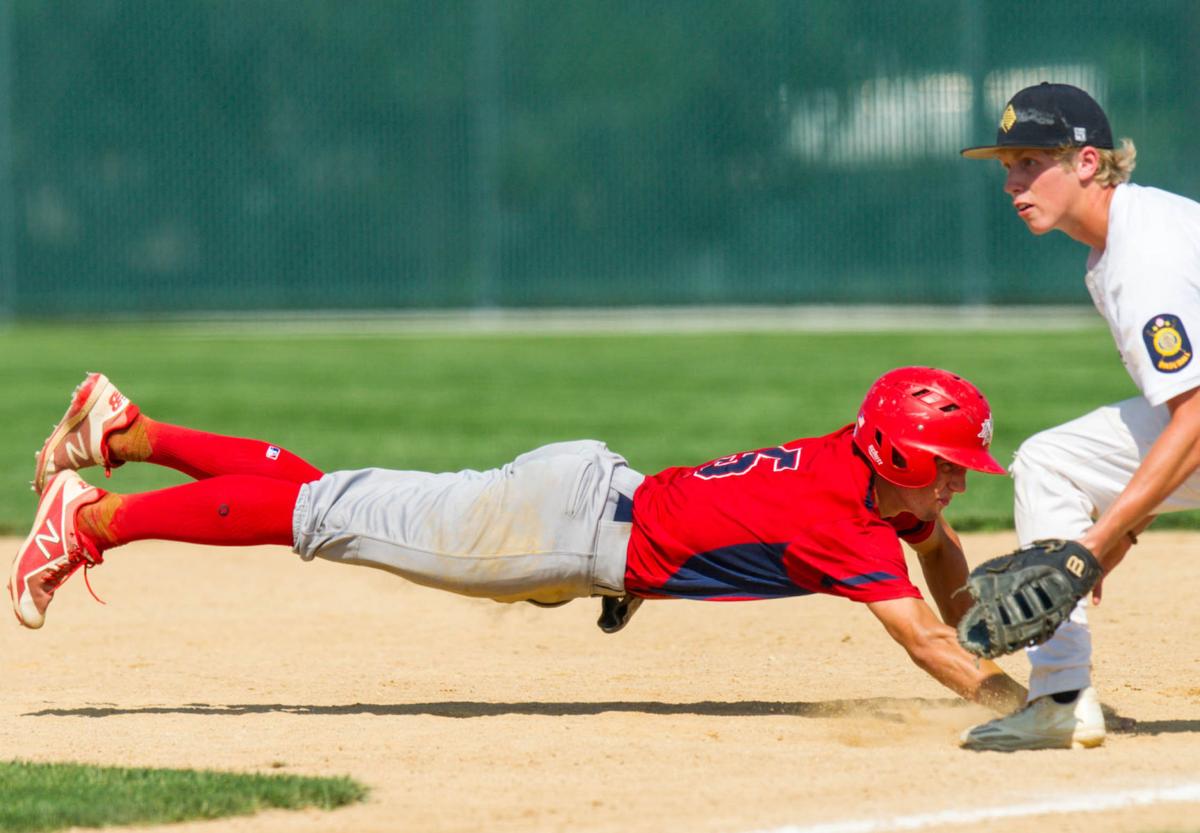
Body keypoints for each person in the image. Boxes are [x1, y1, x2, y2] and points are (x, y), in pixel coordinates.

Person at [11, 368, 1026, 712]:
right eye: (945, 467)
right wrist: (1016, 699)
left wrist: (977, 612)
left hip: (588, 495)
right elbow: (927, 643)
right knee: (321, 513)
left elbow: (935, 552)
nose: (950, 485)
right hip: (556, 531)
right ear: (894, 459)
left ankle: (125, 431)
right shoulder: (845, 520)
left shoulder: (867, 472)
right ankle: (92, 520)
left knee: (334, 494)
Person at [959, 81, 1200, 750]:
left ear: (1086, 163)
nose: (1012, 182)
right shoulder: (1122, 241)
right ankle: (1060, 695)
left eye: (1030, 162)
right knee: (1051, 462)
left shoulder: (1144, 256)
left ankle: (1060, 694)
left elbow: (1197, 420)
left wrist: (1091, 549)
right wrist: (1109, 546)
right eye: (1007, 165)